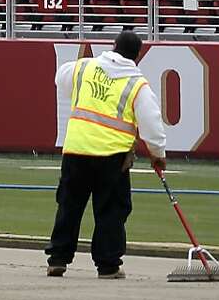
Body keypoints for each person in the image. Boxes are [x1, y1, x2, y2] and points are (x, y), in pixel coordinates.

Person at [47, 30, 168, 279]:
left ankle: (58, 259)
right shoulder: (137, 84)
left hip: (77, 149)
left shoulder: (84, 67)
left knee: (69, 205)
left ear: (113, 46)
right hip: (112, 156)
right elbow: (152, 124)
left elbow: (61, 78)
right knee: (111, 211)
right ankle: (108, 265)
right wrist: (157, 154)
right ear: (138, 55)